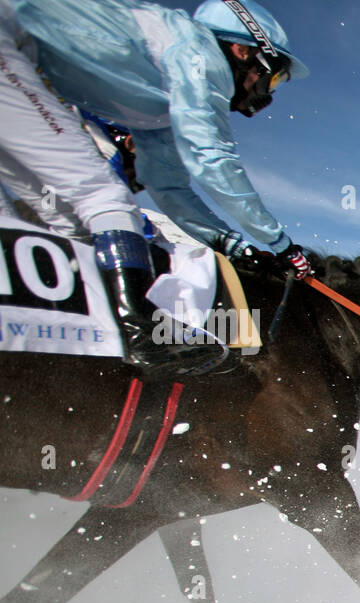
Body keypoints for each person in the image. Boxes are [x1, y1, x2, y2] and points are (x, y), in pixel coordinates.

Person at [0, 0, 312, 377]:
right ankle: (138, 332)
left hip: (18, 65)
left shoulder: (162, 96)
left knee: (58, 219)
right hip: (10, 47)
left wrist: (231, 242)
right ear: (243, 51)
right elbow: (211, 158)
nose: (268, 91)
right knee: (103, 196)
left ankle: (56, 342)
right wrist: (281, 244)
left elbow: (170, 189)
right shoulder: (199, 55)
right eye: (274, 77)